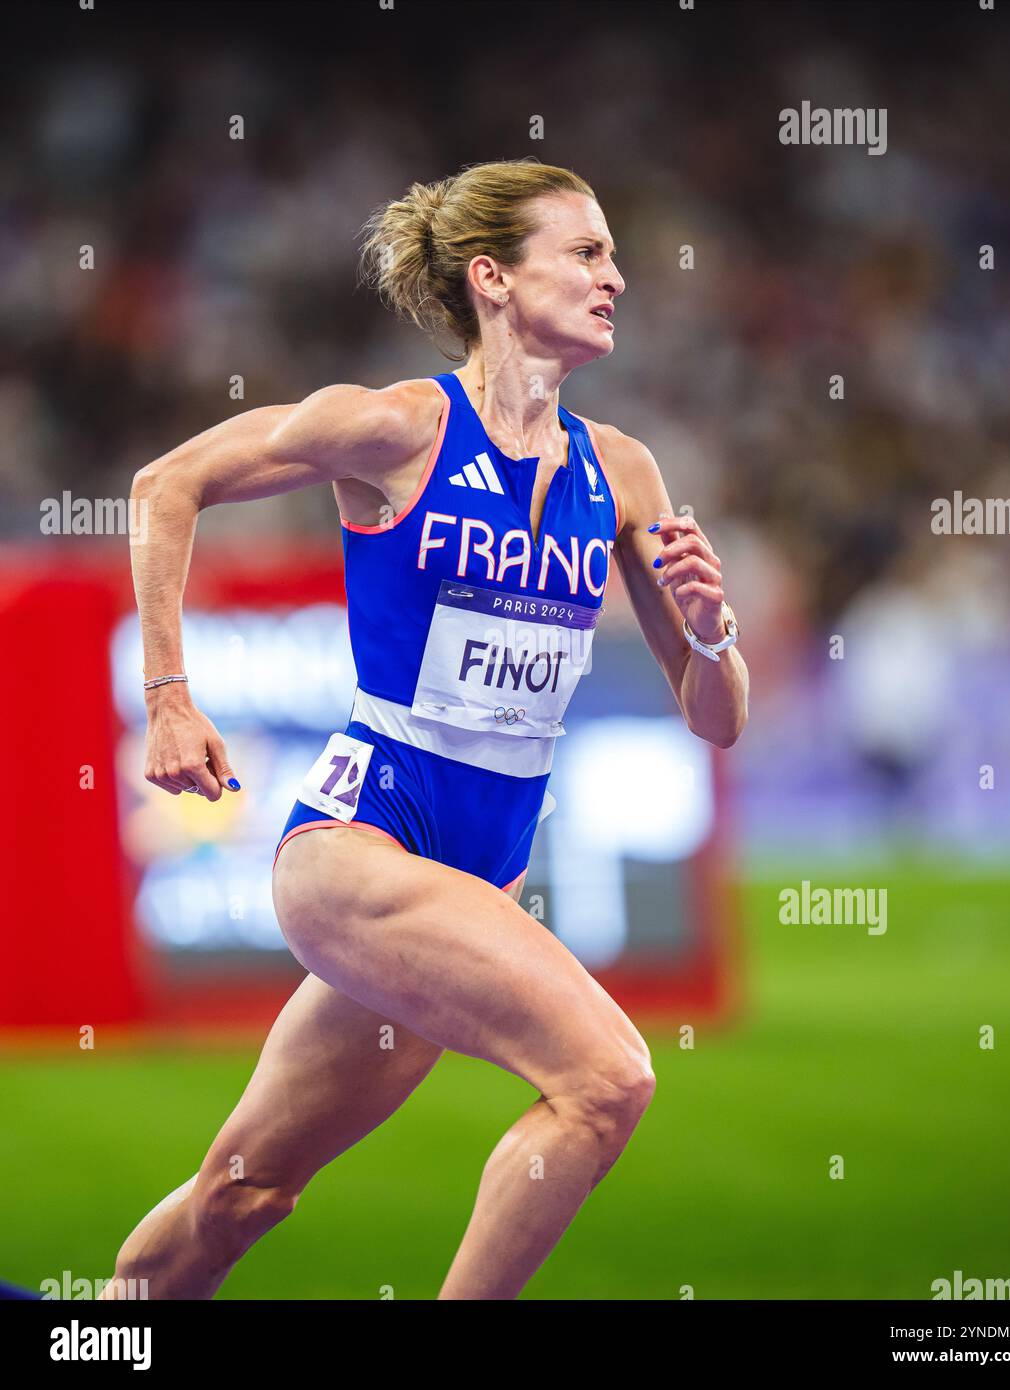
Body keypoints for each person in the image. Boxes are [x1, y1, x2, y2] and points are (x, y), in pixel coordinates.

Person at [101, 159, 748, 1301]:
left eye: (614, 255)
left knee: (246, 1190)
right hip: (356, 853)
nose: (620, 277)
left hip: (465, 889)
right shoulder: (395, 427)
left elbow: (719, 721)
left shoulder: (624, 472)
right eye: (588, 253)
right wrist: (168, 695)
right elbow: (166, 483)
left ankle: (109, 1323)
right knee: (607, 1079)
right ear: (493, 278)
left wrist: (706, 631)